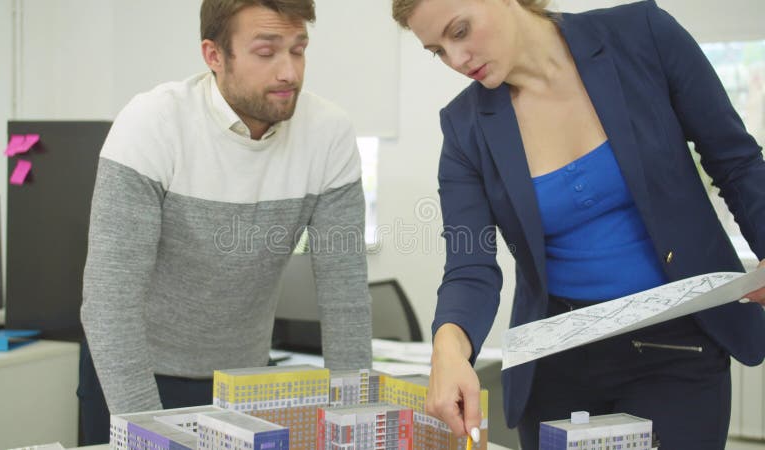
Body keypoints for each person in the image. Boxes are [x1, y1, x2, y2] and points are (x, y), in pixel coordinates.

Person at [391, 0, 765, 448]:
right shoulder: (465, 127)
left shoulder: (641, 35)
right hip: (556, 361)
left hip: (677, 348)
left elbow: (736, 162)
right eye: (437, 51)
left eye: (460, 31)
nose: (456, 60)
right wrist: (448, 348)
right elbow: (470, 265)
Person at [79, 0, 373, 444]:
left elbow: (345, 298)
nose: (289, 72)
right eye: (266, 51)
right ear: (214, 55)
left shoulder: (328, 134)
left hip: (245, 385)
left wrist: (357, 424)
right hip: (132, 373)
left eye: (298, 49)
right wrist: (150, 436)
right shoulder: (152, 124)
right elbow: (109, 305)